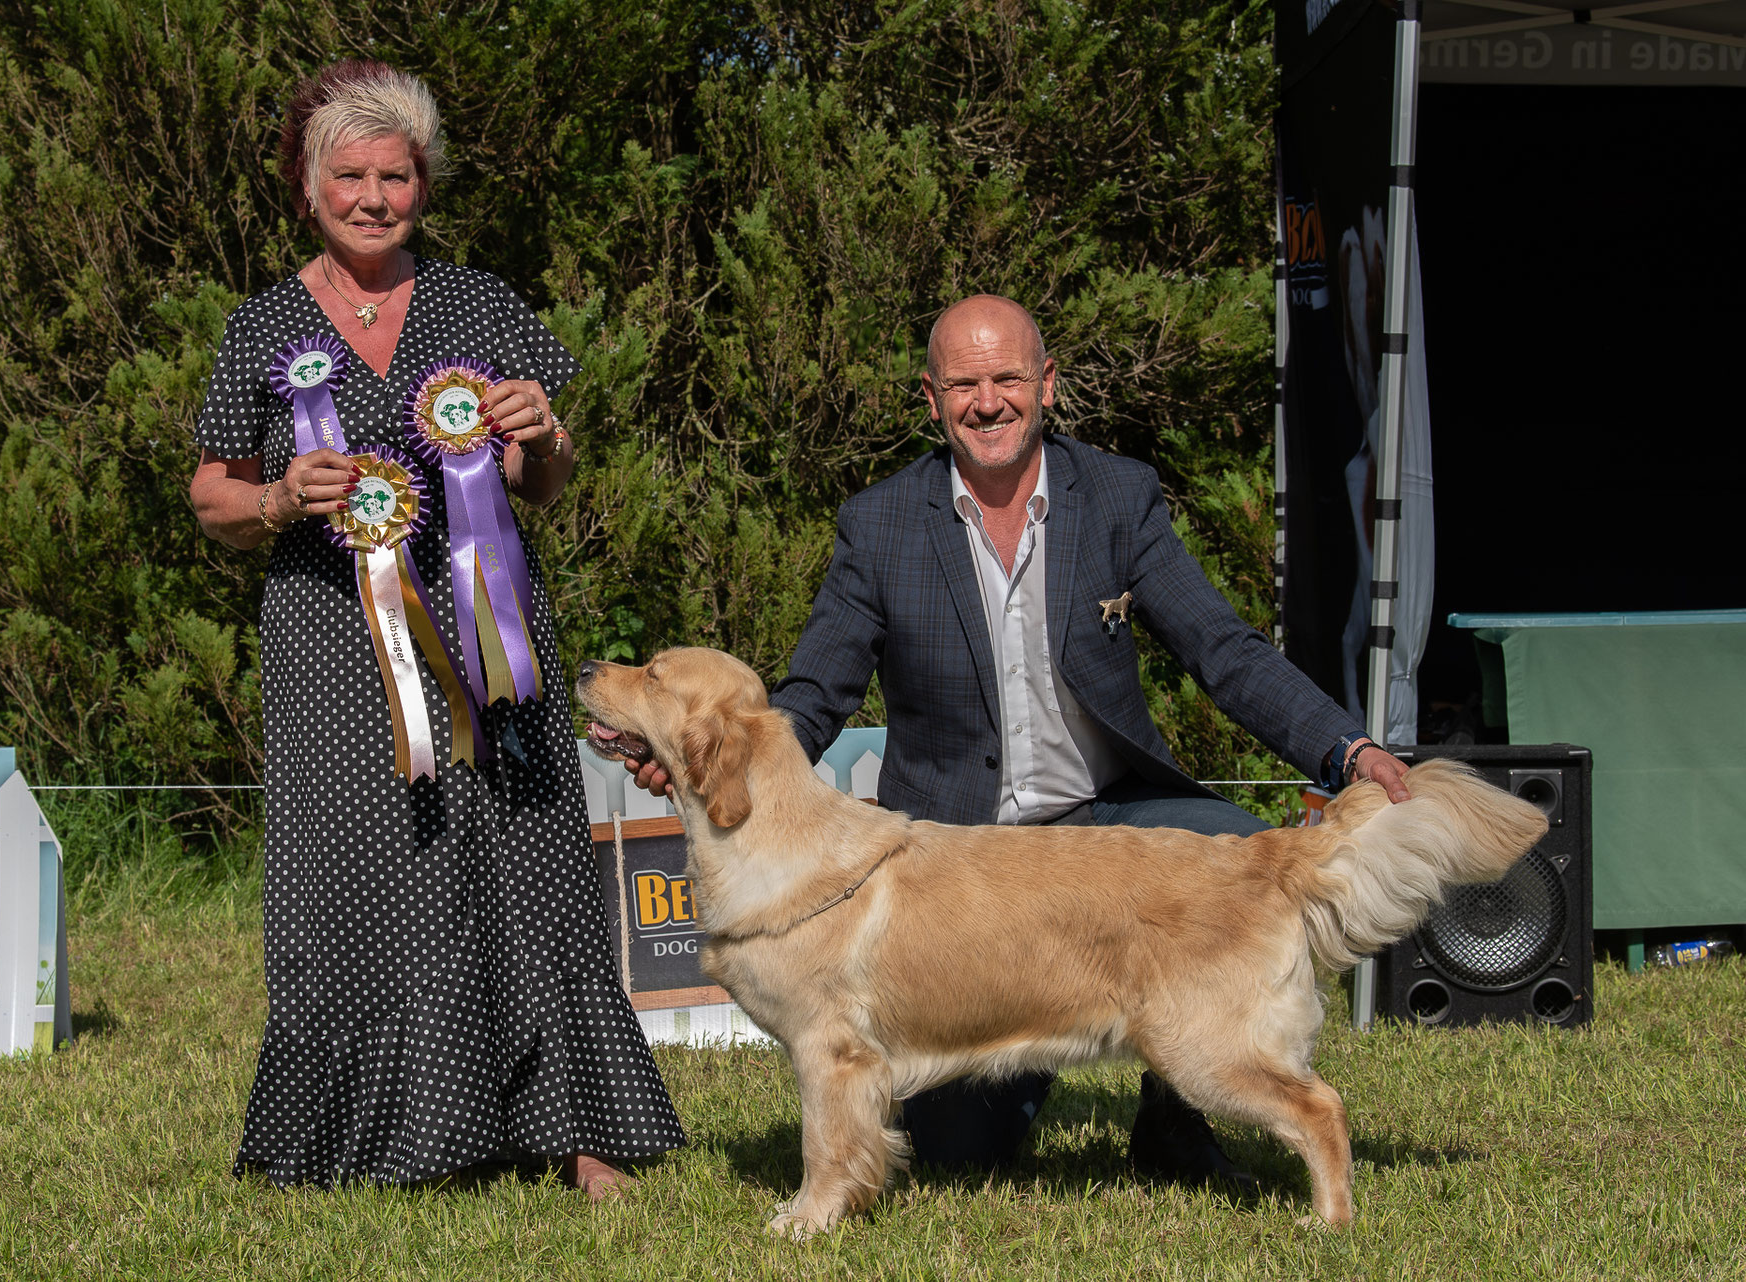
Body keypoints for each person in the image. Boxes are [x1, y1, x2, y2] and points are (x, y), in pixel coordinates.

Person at [625, 294, 1408, 1185]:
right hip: (960, 864)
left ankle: (1177, 1124)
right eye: (964, 383)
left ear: (1046, 385)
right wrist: (708, 760)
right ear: (931, 398)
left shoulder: (1116, 497)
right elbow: (814, 693)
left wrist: (1346, 751)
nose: (987, 401)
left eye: (1007, 378)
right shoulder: (880, 525)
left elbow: (1222, 651)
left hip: (1107, 820)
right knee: (960, 1157)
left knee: (1227, 843)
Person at [189, 60, 683, 1200]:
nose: (373, 196)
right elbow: (211, 493)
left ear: (425, 183)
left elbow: (541, 482)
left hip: (487, 628)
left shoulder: (481, 305)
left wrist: (543, 429)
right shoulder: (260, 325)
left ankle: (578, 1126)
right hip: (328, 637)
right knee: (358, 873)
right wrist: (274, 500)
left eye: (395, 176)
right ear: (309, 187)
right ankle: (366, 1135)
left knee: (530, 856)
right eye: (349, 175)